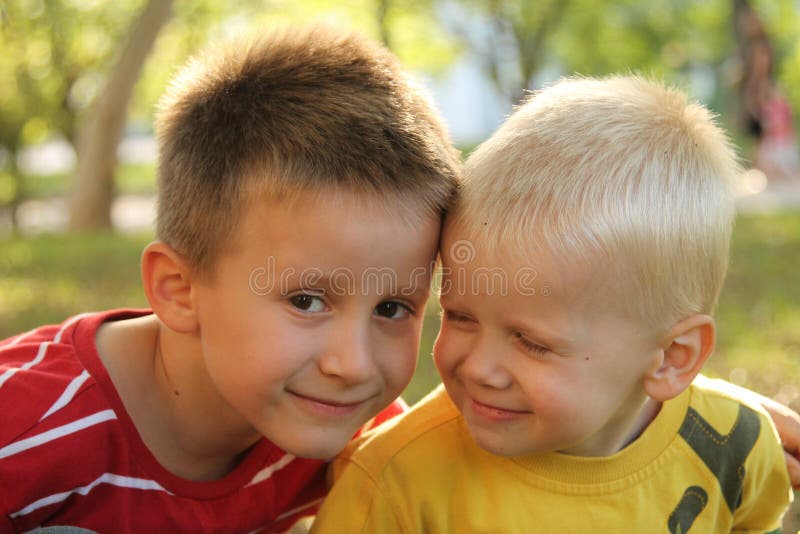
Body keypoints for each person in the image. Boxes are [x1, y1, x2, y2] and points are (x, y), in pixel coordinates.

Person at [0, 26, 460, 532]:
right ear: (179, 289)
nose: (353, 365)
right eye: (306, 301)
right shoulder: (26, 432)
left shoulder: (362, 430)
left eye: (392, 309)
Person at [310, 75, 794, 533]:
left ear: (672, 358)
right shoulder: (393, 486)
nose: (480, 368)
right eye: (459, 316)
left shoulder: (732, 443)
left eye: (531, 343)